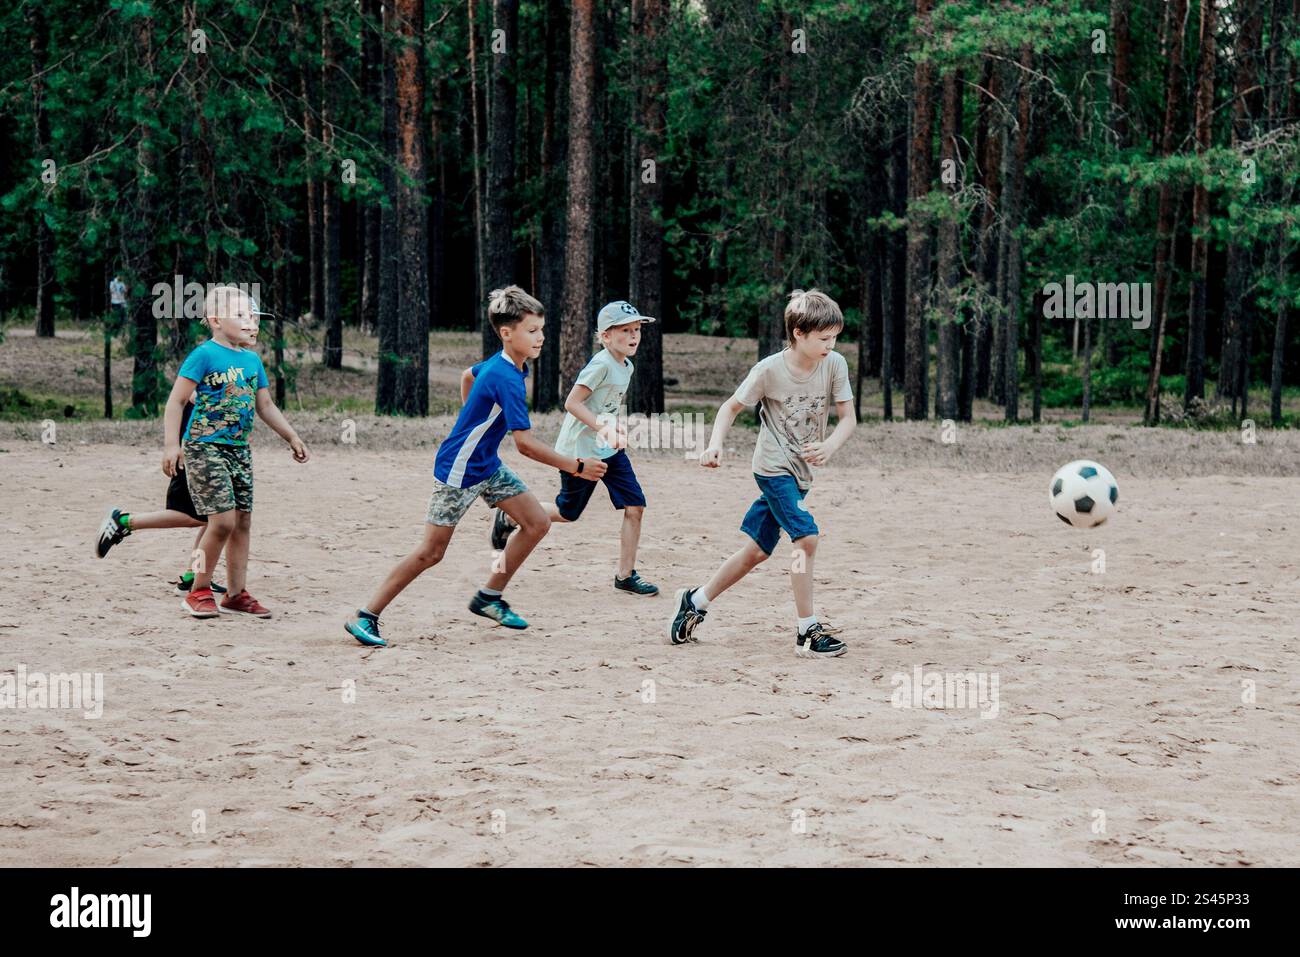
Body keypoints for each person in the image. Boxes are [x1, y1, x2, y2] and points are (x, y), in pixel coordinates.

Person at [343, 286, 608, 648]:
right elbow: (526, 444)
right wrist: (576, 466)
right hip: (459, 471)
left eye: (541, 329)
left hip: (486, 465)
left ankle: (489, 597)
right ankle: (366, 616)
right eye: (532, 331)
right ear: (506, 333)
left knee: (537, 523)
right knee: (431, 553)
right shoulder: (506, 378)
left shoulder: (506, 364)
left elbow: (468, 376)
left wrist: (471, 420)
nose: (541, 337)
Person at [666, 289, 856, 658]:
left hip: (801, 475)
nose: (831, 345)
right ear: (798, 333)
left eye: (835, 337)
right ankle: (807, 631)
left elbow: (848, 419)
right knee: (807, 538)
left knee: (756, 552)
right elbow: (730, 407)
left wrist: (830, 445)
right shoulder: (769, 370)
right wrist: (715, 444)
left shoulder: (835, 365)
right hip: (772, 470)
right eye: (823, 338)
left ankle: (695, 601)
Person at [490, 300, 658, 596]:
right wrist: (603, 427)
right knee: (568, 513)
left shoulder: (626, 365)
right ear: (605, 336)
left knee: (635, 506)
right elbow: (572, 403)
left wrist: (612, 426)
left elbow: (604, 406)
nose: (634, 336)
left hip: (609, 450)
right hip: (579, 451)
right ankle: (511, 516)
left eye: (636, 330)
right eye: (625, 331)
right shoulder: (600, 365)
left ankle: (625, 575)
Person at [161, 285, 309, 619]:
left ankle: (236, 594)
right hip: (204, 448)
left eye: (254, 316)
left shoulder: (252, 360)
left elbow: (265, 405)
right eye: (241, 315)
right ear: (215, 320)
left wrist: (292, 436)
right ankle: (197, 589)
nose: (251, 322)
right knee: (222, 521)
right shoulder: (204, 355)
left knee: (242, 522)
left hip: (239, 451)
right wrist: (172, 445)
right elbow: (177, 401)